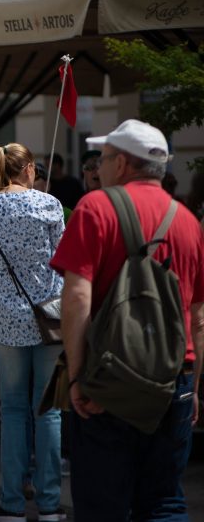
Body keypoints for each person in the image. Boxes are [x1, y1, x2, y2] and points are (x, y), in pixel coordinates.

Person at [51, 120, 204, 520]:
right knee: (165, 501)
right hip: (174, 379)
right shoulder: (187, 221)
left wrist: (78, 374)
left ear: (122, 165)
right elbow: (199, 316)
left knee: (103, 505)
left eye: (103, 159)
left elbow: (77, 295)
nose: (98, 167)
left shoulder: (96, 207)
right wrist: (195, 387)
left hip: (109, 378)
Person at [0, 143, 66, 522]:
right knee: (49, 411)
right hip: (50, 317)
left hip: (7, 318)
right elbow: (63, 256)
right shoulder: (50, 204)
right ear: (28, 168)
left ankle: (11, 502)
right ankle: (49, 504)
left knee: (12, 410)